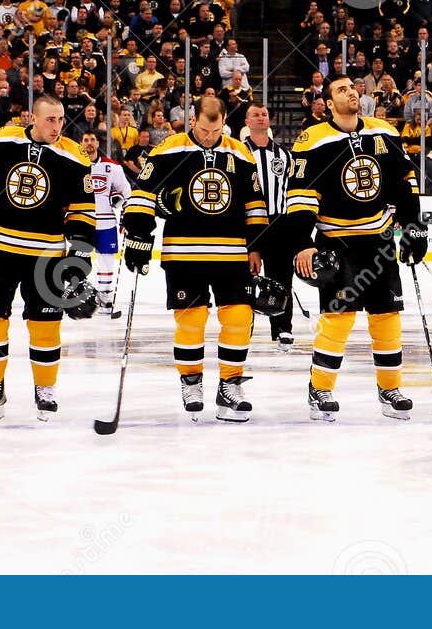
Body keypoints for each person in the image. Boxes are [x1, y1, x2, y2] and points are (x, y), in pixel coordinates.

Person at [285, 75, 425, 422]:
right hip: (337, 241)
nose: (351, 93)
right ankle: (321, 387)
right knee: (338, 318)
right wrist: (303, 243)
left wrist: (413, 227)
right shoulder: (312, 140)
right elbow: (301, 197)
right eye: (342, 90)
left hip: (378, 242)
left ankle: (390, 388)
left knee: (387, 317)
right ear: (329, 104)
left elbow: (404, 183)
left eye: (352, 87)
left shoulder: (384, 132)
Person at [0, 95, 96, 422]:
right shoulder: (3, 141)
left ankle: (45, 389)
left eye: (60, 120)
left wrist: (78, 256)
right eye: (50, 119)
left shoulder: (75, 156)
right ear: (33, 117)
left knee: (45, 325)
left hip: (45, 255)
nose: (56, 126)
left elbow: (82, 211)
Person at [123, 95, 267, 421]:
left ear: (225, 124)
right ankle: (191, 382)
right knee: (191, 321)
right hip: (183, 252)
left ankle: (230, 384)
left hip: (232, 253)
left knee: (239, 319)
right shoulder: (169, 149)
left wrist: (256, 246)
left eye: (215, 131)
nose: (208, 137)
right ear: (192, 120)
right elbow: (142, 194)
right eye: (203, 130)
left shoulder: (239, 152)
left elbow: (254, 202)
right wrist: (138, 235)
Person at [242, 103, 296, 346]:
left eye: (264, 114)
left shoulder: (284, 154)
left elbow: (291, 189)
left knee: (282, 278)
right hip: (246, 223)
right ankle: (243, 326)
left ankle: (283, 327)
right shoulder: (239, 153)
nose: (261, 118)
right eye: (255, 114)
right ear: (247, 121)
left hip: (279, 223)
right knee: (244, 278)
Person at [79, 130, 130, 316]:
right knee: (78, 262)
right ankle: (79, 299)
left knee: (106, 262)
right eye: (86, 140)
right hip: (81, 220)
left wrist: (124, 213)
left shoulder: (112, 167)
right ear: (81, 143)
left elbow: (125, 192)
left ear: (98, 143)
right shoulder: (74, 165)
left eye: (92, 140)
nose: (89, 143)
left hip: (106, 222)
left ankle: (105, 300)